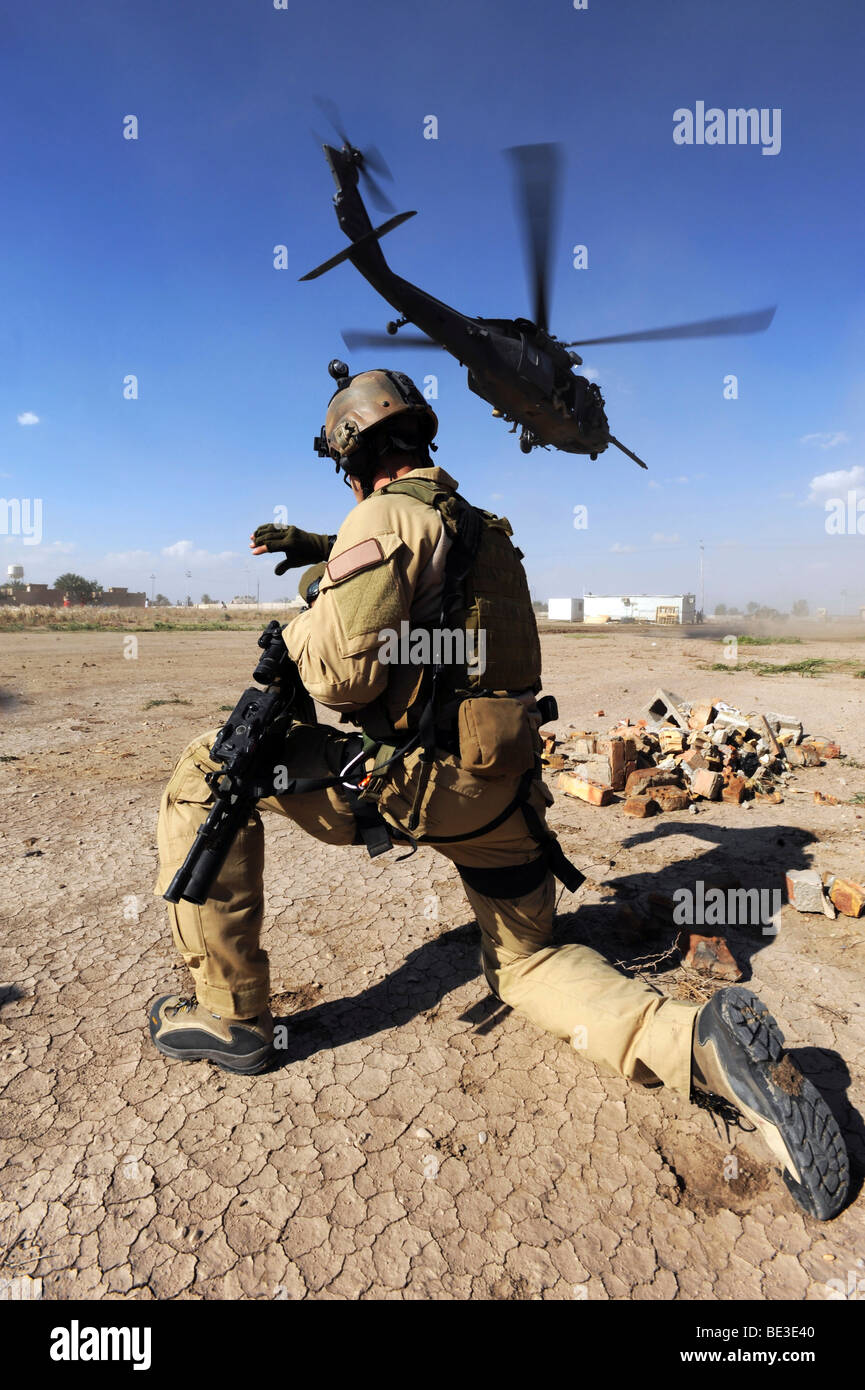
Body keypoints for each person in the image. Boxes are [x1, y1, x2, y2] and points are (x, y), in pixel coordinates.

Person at [149, 364, 849, 1221]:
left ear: (349, 454)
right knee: (527, 961)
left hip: (406, 784)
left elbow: (337, 670)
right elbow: (428, 584)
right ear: (418, 438)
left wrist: (307, 608)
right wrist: (323, 555)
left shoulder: (382, 514)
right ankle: (698, 1046)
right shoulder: (484, 530)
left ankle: (232, 1020)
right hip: (502, 794)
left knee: (206, 771)